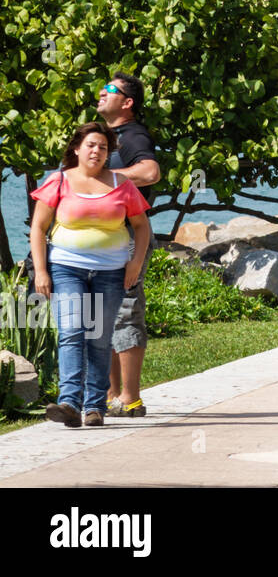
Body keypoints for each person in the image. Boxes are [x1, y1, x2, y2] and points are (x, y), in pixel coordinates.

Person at [31, 123, 151, 428]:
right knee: (71, 331)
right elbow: (38, 228)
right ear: (76, 149)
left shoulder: (121, 183)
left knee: (98, 338)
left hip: (111, 271)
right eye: (90, 145)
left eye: (103, 147)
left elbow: (141, 225)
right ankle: (70, 402)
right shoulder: (58, 181)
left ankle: (95, 406)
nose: (96, 151)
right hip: (66, 267)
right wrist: (41, 270)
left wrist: (135, 263)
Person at [99, 74, 160, 420]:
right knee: (103, 313)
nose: (101, 93)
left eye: (110, 90)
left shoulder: (133, 135)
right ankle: (109, 395)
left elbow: (150, 171)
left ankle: (130, 398)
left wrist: (107, 178)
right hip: (103, 240)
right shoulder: (109, 138)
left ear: (127, 103)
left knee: (125, 312)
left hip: (127, 239)